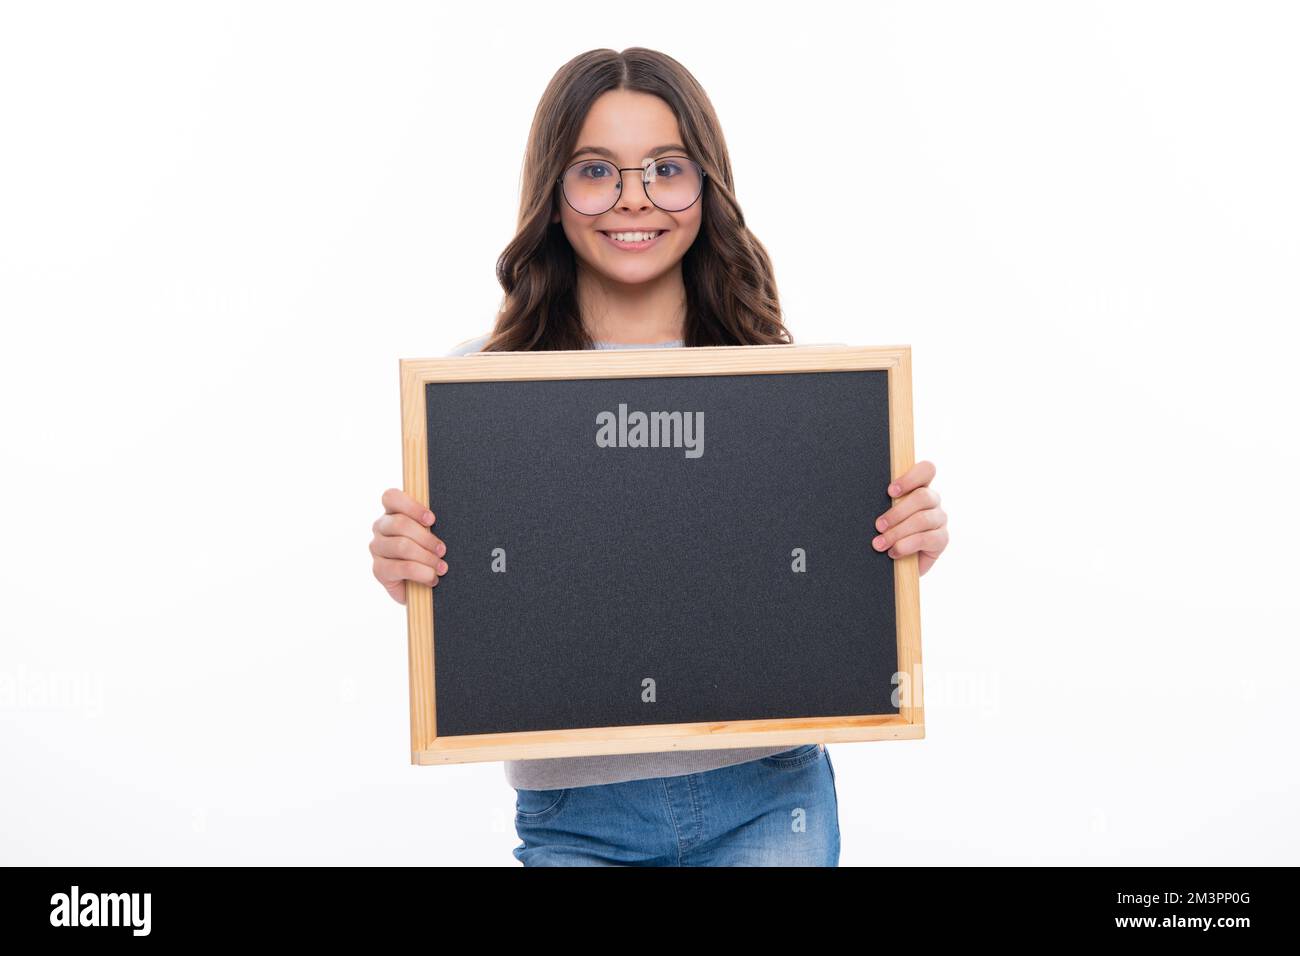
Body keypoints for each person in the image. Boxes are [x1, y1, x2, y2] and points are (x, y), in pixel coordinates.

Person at [369, 47, 949, 866]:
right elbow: (490, 595)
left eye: (666, 168)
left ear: (705, 186)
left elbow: (811, 579)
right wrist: (411, 570)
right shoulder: (476, 392)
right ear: (552, 193)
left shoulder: (792, 389)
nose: (633, 199)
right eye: (596, 170)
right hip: (576, 817)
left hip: (771, 797)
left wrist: (892, 552)